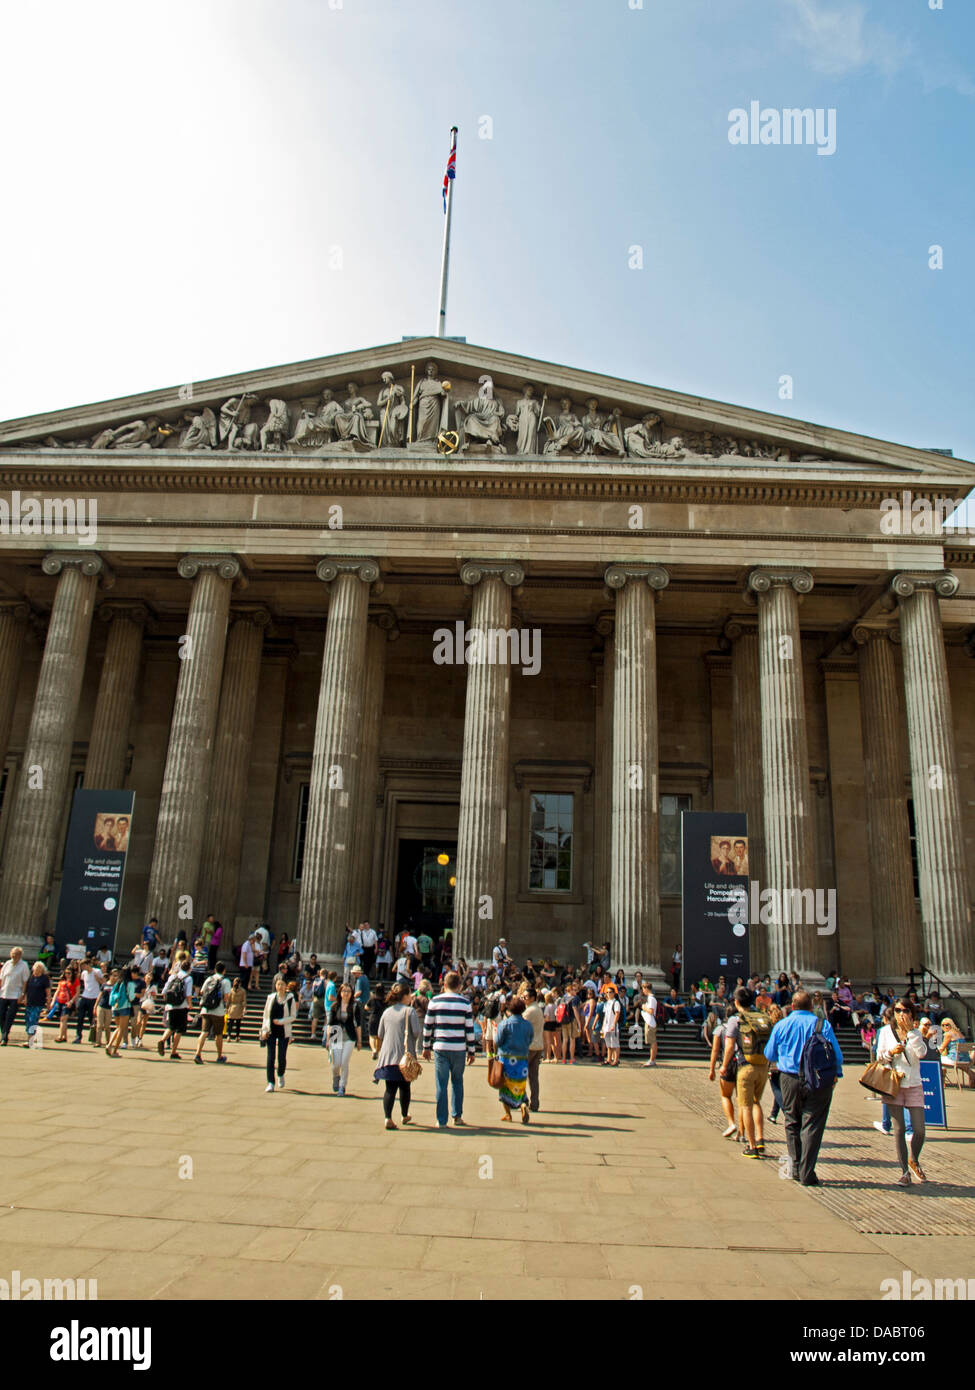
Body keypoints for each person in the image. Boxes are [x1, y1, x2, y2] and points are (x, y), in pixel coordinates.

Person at [764, 989, 843, 1186]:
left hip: (789, 1079)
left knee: (792, 1121)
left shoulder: (782, 1025)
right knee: (812, 1124)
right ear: (811, 1007)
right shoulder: (822, 1025)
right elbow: (837, 1057)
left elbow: (770, 1054)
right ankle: (808, 1172)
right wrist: (836, 1075)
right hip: (817, 1080)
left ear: (792, 1006)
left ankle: (796, 1168)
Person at [876, 998, 928, 1185]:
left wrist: (911, 1033)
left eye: (905, 1011)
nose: (901, 1014)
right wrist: (891, 1052)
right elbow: (880, 1057)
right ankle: (904, 1172)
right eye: (898, 1010)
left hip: (913, 1084)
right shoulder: (884, 1032)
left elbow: (921, 1053)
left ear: (912, 1014)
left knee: (920, 1130)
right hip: (894, 1084)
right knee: (898, 1130)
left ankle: (913, 1159)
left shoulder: (916, 1033)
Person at [422, 970, 476, 1128]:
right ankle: (457, 1116)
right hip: (459, 1048)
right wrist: (471, 1051)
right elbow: (469, 1030)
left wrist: (426, 1046)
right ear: (459, 986)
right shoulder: (465, 1003)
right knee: (457, 1082)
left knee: (441, 1084)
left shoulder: (435, 1001)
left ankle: (441, 1119)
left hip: (441, 1047)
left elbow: (428, 1026)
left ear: (444, 985)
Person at [721, 987, 771, 1158]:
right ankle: (760, 1138)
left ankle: (751, 1146)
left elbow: (729, 1047)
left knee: (746, 1106)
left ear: (736, 1002)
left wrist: (723, 1066)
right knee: (756, 1102)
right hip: (763, 1067)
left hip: (745, 1066)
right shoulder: (761, 1017)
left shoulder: (736, 1020)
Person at [374, 982, 422, 1129]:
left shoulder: (387, 1011)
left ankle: (388, 1117)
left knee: (390, 1088)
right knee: (405, 1087)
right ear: (406, 996)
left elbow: (380, 1033)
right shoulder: (410, 1011)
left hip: (388, 1055)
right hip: (404, 1056)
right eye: (410, 994)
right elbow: (416, 1032)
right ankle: (404, 1114)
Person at [496, 997, 535, 1124]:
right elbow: (530, 1040)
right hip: (522, 1059)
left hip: (506, 1060)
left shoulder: (505, 1024)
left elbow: (497, 1041)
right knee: (519, 1085)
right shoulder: (527, 1025)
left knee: (505, 1087)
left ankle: (508, 1114)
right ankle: (523, 1104)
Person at [260, 973, 297, 1092]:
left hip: (283, 1031)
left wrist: (281, 1021)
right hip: (271, 1030)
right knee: (270, 1057)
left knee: (281, 1057)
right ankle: (270, 1082)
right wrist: (264, 1030)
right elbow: (266, 1015)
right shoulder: (270, 997)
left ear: (286, 986)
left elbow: (293, 1016)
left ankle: (281, 1073)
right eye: (278, 984)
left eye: (282, 984)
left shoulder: (290, 998)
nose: (280, 986)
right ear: (275, 985)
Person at [708, 1012, 742, 1140]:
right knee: (741, 1100)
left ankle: (731, 1123)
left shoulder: (720, 1029)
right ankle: (742, 1132)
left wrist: (712, 1069)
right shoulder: (741, 1027)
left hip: (727, 1064)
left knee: (726, 1096)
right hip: (741, 1063)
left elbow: (715, 1050)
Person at [327, 982, 363, 1096]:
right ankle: (335, 1077)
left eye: (348, 991)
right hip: (336, 1034)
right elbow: (330, 1024)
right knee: (336, 1063)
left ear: (352, 993)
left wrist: (359, 1040)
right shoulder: (335, 1006)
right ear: (340, 993)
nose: (346, 993)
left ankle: (342, 1086)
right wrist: (328, 1039)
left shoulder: (355, 1006)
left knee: (344, 1062)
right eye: (344, 991)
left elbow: (358, 1024)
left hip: (350, 1036)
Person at [157, 953, 193, 1060]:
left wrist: (168, 1002)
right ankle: (173, 1051)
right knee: (179, 1030)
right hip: (182, 1006)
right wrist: (190, 1004)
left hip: (171, 1006)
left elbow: (164, 991)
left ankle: (162, 1040)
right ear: (189, 968)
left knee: (171, 1027)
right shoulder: (188, 978)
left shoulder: (173, 976)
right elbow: (188, 994)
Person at [194, 962, 231, 1064]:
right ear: (224, 970)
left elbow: (202, 992)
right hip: (218, 1011)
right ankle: (219, 1056)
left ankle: (198, 1054)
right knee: (218, 1034)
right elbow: (226, 997)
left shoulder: (209, 979)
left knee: (204, 1032)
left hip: (206, 1009)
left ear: (215, 970)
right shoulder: (225, 981)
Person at [0, 947, 31, 1045]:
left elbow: (25, 981)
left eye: (16, 954)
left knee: (10, 1016)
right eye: (13, 954)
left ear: (20, 955)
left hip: (16, 994)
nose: (14, 956)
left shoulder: (24, 965)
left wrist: (22, 994)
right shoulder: (7, 963)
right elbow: (1, 978)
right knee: (1, 1015)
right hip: (4, 993)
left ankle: (4, 1037)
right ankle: (4, 1033)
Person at [105, 967, 138, 1056]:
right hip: (125, 1007)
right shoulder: (130, 983)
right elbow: (131, 997)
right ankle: (114, 1050)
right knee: (121, 1029)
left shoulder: (118, 983)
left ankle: (109, 1044)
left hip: (115, 1007)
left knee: (118, 1027)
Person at [523, 988, 545, 1112]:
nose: (524, 999)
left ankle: (523, 1101)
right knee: (534, 1076)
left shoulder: (530, 1011)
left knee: (522, 1075)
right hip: (538, 1045)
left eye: (525, 997)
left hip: (529, 1046)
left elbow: (519, 1024)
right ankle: (535, 1102)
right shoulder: (537, 1009)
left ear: (532, 998)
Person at [22, 961, 52, 1048]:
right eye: (36, 967)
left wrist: (48, 1003)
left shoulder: (44, 979)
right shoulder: (31, 977)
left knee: (33, 1019)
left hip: (38, 1003)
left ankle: (30, 1040)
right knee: (28, 1020)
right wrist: (25, 998)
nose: (37, 969)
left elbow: (48, 992)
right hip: (30, 1002)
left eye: (39, 967)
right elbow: (27, 989)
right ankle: (30, 1037)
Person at [75, 960, 104, 1044]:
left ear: (88, 964)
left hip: (94, 997)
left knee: (92, 1018)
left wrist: (97, 979)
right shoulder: (84, 973)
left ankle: (93, 1038)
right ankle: (78, 1036)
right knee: (80, 1018)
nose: (83, 968)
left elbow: (103, 982)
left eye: (84, 965)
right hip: (85, 996)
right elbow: (80, 980)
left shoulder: (97, 971)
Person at [602, 985, 622, 1067]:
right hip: (606, 1026)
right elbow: (605, 1015)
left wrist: (614, 1024)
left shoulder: (616, 1002)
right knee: (608, 1044)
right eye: (607, 992)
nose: (609, 994)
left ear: (614, 993)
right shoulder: (606, 1003)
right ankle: (608, 1059)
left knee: (615, 1043)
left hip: (613, 1026)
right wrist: (603, 1026)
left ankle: (616, 1060)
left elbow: (617, 1013)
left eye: (610, 992)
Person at [226, 977, 247, 1041]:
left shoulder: (231, 990)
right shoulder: (243, 991)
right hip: (239, 1008)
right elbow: (244, 1000)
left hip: (232, 1007)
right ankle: (237, 1036)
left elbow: (228, 1000)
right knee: (238, 1023)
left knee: (230, 1023)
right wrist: (244, 1008)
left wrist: (226, 1008)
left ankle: (229, 1036)